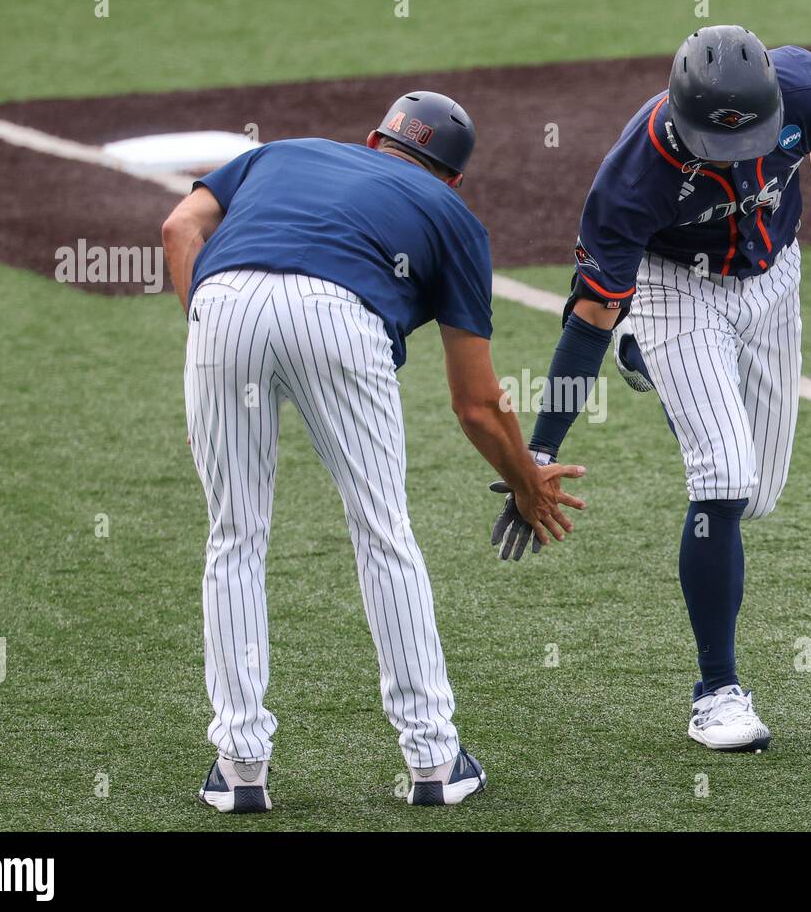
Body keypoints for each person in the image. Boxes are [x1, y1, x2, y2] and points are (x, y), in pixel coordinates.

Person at [161, 91, 586, 810]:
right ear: (452, 176)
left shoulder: (280, 151)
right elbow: (477, 403)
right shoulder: (453, 216)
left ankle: (239, 769)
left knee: (234, 537)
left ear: (371, 140)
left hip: (222, 305)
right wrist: (527, 483)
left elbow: (179, 228)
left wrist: (212, 344)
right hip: (339, 321)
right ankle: (431, 761)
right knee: (382, 533)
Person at [490, 27, 811, 752]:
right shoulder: (634, 175)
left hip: (773, 273)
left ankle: (658, 371)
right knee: (723, 478)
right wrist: (538, 451)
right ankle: (717, 693)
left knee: (757, 494)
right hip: (674, 291)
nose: (735, 155)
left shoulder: (807, 88)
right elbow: (591, 315)